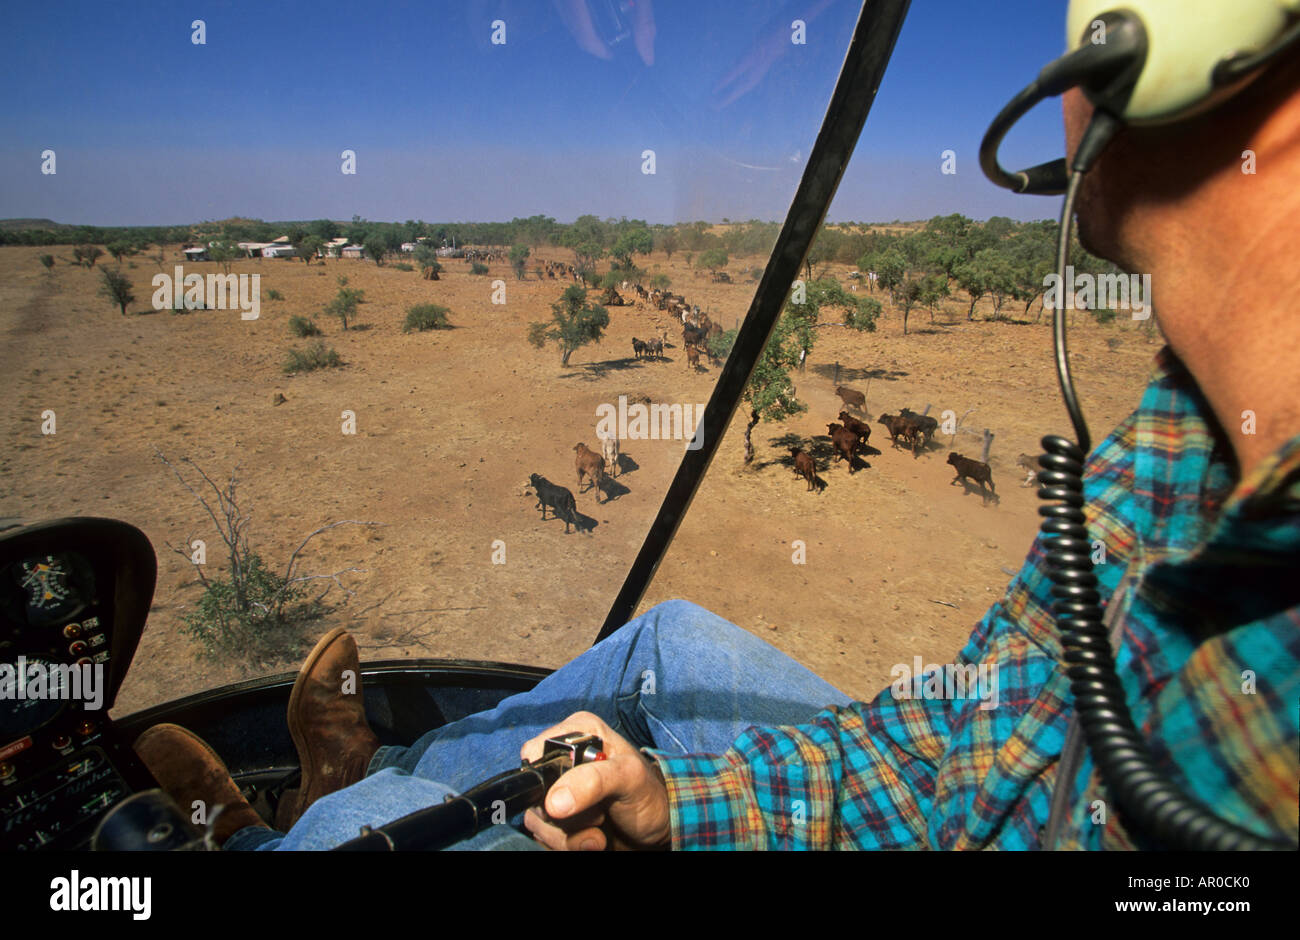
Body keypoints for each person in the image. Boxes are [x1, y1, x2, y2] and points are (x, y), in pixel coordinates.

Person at [135, 22, 1300, 852]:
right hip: (952, 805)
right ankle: (366, 766)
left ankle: (268, 833)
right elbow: (949, 761)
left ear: (1198, 41)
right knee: (668, 639)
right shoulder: (1173, 447)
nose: (1059, 74)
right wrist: (674, 805)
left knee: (396, 838)